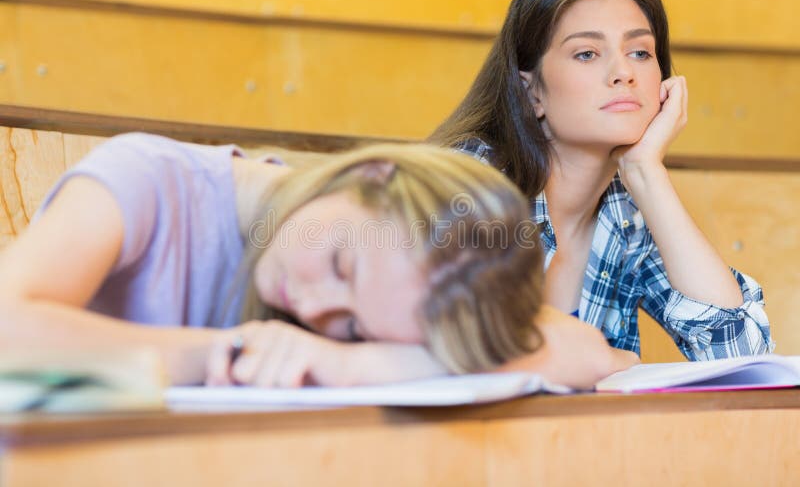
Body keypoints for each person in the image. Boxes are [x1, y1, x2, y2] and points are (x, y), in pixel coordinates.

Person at [0, 133, 636, 390]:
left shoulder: (370, 304)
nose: (311, 309)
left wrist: (351, 362)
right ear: (369, 174)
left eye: (353, 325)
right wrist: (232, 354)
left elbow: (589, 353)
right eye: (341, 265)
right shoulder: (149, 179)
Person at [429, 0, 772, 360]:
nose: (623, 72)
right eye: (587, 53)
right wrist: (609, 360)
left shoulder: (628, 213)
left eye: (640, 52)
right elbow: (466, 354)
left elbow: (743, 355)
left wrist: (646, 173)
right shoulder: (469, 184)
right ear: (531, 92)